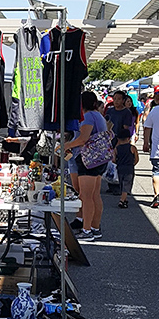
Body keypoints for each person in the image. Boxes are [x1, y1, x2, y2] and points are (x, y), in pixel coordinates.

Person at [64, 90, 108, 241]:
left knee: (86, 196)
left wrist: (67, 145)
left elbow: (83, 139)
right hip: (100, 159)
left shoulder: (88, 116)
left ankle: (87, 230)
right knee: (94, 195)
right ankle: (95, 227)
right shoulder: (98, 116)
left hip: (89, 159)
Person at [113, 127, 139, 208]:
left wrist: (118, 163)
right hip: (129, 168)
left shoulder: (117, 148)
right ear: (128, 138)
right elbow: (137, 159)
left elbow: (113, 159)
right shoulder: (132, 148)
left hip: (120, 167)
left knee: (121, 183)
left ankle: (124, 199)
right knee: (127, 184)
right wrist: (133, 164)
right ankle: (122, 200)